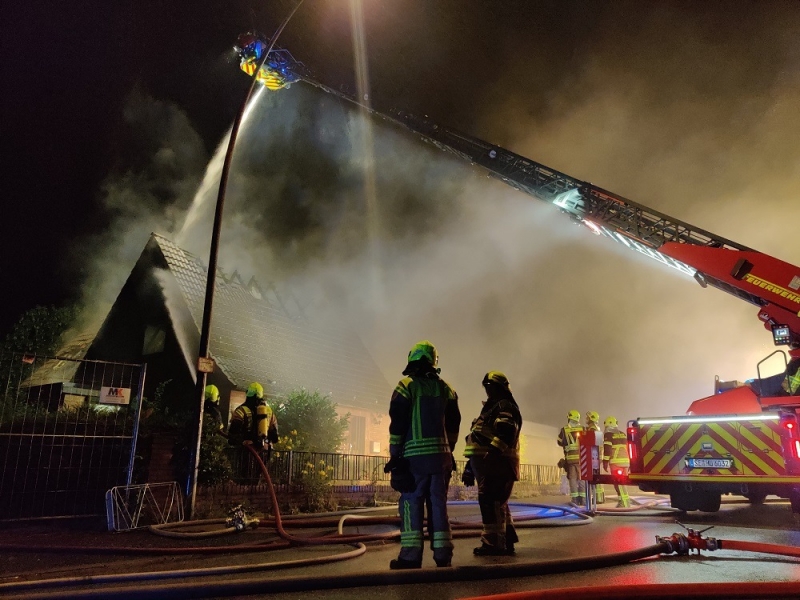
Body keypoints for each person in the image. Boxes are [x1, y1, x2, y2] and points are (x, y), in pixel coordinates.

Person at [386, 340, 461, 569]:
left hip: (414, 460)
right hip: (441, 460)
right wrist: (449, 450)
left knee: (411, 503)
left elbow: (397, 425)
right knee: (439, 505)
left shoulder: (405, 386)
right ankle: (443, 555)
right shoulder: (446, 389)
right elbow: (454, 427)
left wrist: (395, 456)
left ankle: (410, 557)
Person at [462, 371, 522, 556]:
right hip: (489, 465)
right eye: (486, 387)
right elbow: (478, 439)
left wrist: (493, 455)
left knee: (491, 503)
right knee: (498, 503)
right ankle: (506, 537)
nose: (487, 390)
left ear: (498, 387)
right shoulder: (492, 407)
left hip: (498, 465)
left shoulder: (504, 406)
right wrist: (470, 468)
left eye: (490, 387)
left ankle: (493, 543)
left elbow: (506, 432)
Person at [228, 382, 278, 481]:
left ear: (247, 394)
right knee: (256, 478)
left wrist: (245, 441)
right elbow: (275, 437)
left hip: (245, 451)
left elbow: (233, 435)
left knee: (243, 478)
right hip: (264, 452)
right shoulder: (269, 412)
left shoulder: (240, 411)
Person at [557, 410, 584, 505]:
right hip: (582, 459)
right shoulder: (583, 429)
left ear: (569, 418)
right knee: (582, 479)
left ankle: (575, 500)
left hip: (571, 459)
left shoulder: (564, 429)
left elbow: (559, 442)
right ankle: (584, 500)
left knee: (572, 479)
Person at [602, 416, 631, 508]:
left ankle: (624, 502)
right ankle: (624, 501)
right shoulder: (622, 434)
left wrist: (605, 462)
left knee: (617, 483)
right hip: (626, 462)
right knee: (623, 482)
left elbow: (607, 450)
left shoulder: (608, 435)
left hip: (616, 462)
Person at [584, 411, 605, 504]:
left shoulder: (592, 429)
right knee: (597, 477)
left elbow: (590, 443)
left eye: (588, 417)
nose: (586, 419)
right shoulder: (597, 428)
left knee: (594, 478)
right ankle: (600, 498)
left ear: (591, 418)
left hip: (593, 456)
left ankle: (598, 499)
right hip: (596, 456)